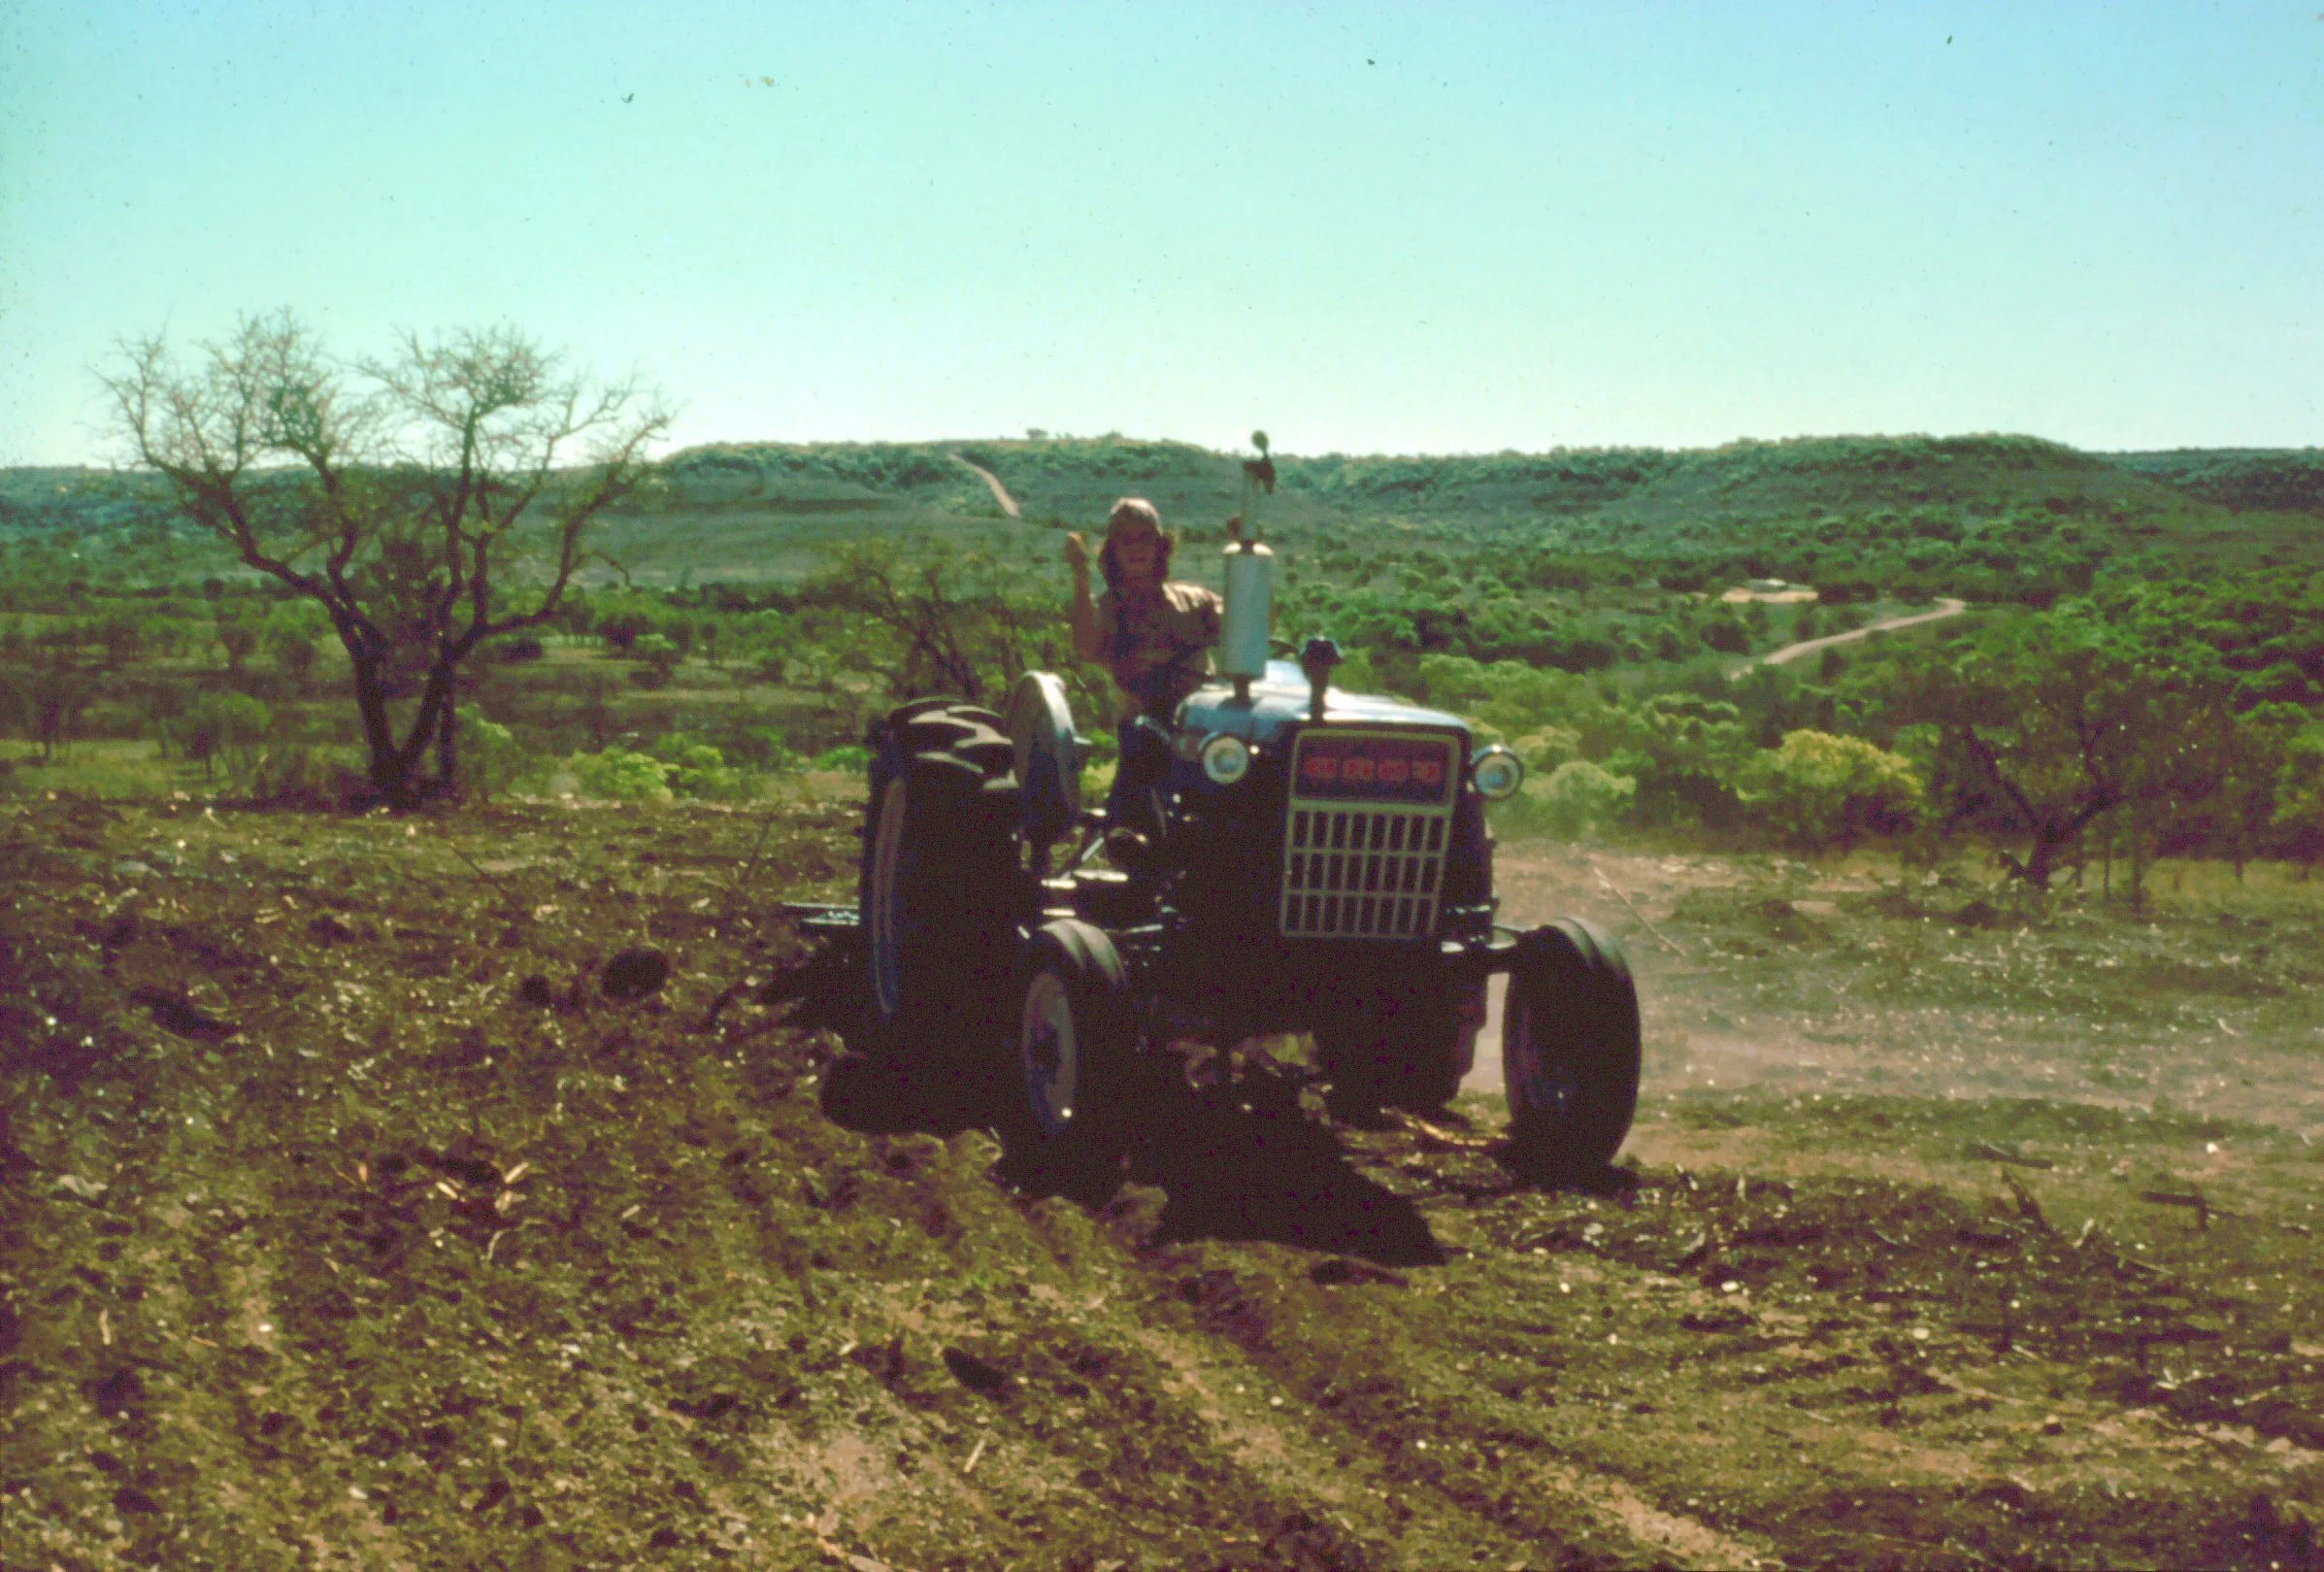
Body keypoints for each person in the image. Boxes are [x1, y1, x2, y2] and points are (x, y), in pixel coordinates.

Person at [1065, 498, 1221, 833]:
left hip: (1203, 727)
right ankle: (1130, 835)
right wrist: (1080, 576)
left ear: (1161, 546)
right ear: (1112, 550)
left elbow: (1251, 627)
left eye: (1145, 538)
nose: (1136, 547)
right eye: (1125, 539)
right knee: (1142, 738)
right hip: (1146, 729)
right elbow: (1085, 647)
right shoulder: (1107, 608)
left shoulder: (1195, 600)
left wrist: (1248, 560)